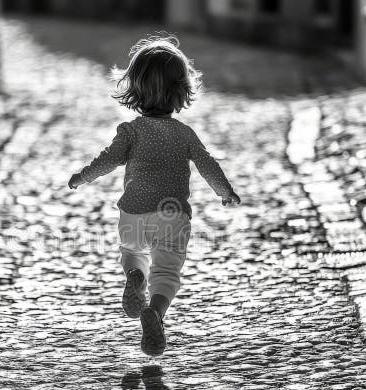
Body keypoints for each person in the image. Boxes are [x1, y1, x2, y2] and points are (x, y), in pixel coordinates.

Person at [68, 36, 240, 356]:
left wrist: (82, 177)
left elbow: (107, 159)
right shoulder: (185, 135)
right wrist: (225, 192)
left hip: (133, 211)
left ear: (134, 89)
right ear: (181, 91)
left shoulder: (130, 131)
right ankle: (156, 313)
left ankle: (135, 276)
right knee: (167, 272)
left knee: (133, 252)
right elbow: (208, 166)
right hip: (172, 214)